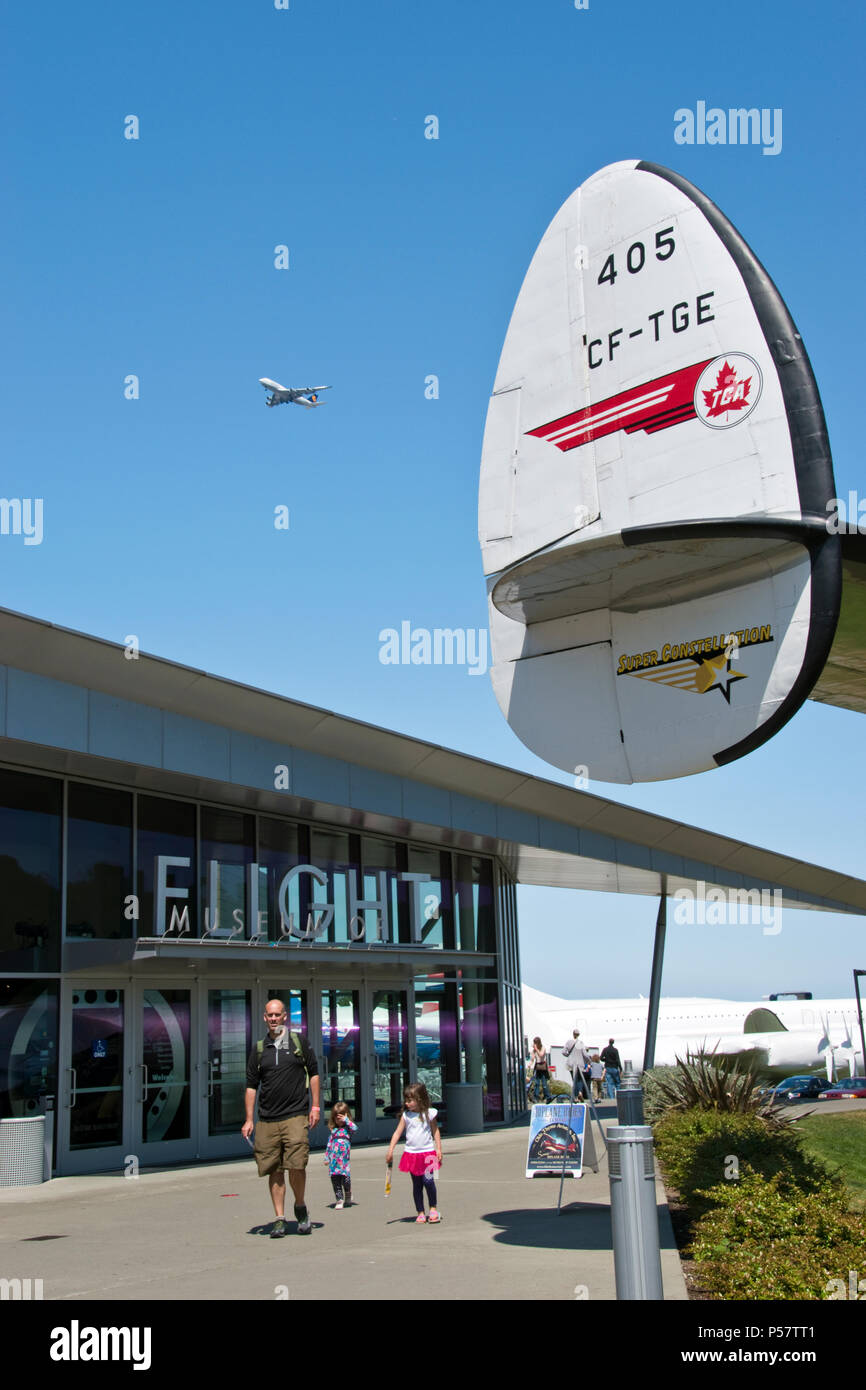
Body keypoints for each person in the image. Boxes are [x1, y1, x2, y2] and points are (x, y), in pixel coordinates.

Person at [242, 999, 320, 1238]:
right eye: (270, 1015)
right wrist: (249, 1119)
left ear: (285, 1016)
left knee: (296, 1165)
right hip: (268, 1118)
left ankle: (300, 1205)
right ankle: (279, 1218)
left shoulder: (299, 1042)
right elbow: (251, 1086)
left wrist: (315, 1106)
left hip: (295, 1115)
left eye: (277, 1015)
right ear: (264, 1018)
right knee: (273, 1168)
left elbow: (315, 1074)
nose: (273, 1019)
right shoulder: (258, 1049)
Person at [385, 1081, 443, 1224]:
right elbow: (397, 1133)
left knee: (429, 1181)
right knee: (417, 1184)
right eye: (406, 1100)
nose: (407, 1103)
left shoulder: (429, 1114)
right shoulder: (406, 1116)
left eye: (410, 1100)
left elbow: (435, 1131)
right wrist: (390, 1150)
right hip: (412, 1154)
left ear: (420, 1099)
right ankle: (420, 1212)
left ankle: (433, 1209)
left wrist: (439, 1149)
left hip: (428, 1153)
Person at [325, 1101, 356, 1209]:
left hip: (344, 1163)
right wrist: (326, 1157)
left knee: (346, 1181)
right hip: (334, 1163)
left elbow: (355, 1128)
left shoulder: (348, 1130)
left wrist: (346, 1120)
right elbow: (329, 1146)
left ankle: (348, 1194)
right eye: (337, 1118)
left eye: (341, 1117)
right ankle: (339, 1199)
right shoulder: (333, 1132)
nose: (339, 1120)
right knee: (336, 1182)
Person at [562, 1029, 590, 1099]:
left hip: (571, 1063)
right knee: (580, 1079)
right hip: (580, 1064)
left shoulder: (569, 1042)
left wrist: (568, 1055)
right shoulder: (580, 1043)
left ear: (573, 1034)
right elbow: (585, 1054)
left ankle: (575, 1097)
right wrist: (589, 1061)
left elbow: (563, 1052)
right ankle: (580, 1092)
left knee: (574, 1079)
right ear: (578, 1035)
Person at [528, 1036, 552, 1103]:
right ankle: (536, 1097)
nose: (534, 1044)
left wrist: (536, 1049)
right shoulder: (533, 1050)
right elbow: (532, 1059)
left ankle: (548, 1097)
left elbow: (541, 1055)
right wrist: (529, 1064)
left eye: (535, 1043)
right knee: (537, 1083)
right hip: (537, 1067)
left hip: (543, 1067)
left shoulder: (543, 1048)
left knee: (544, 1084)